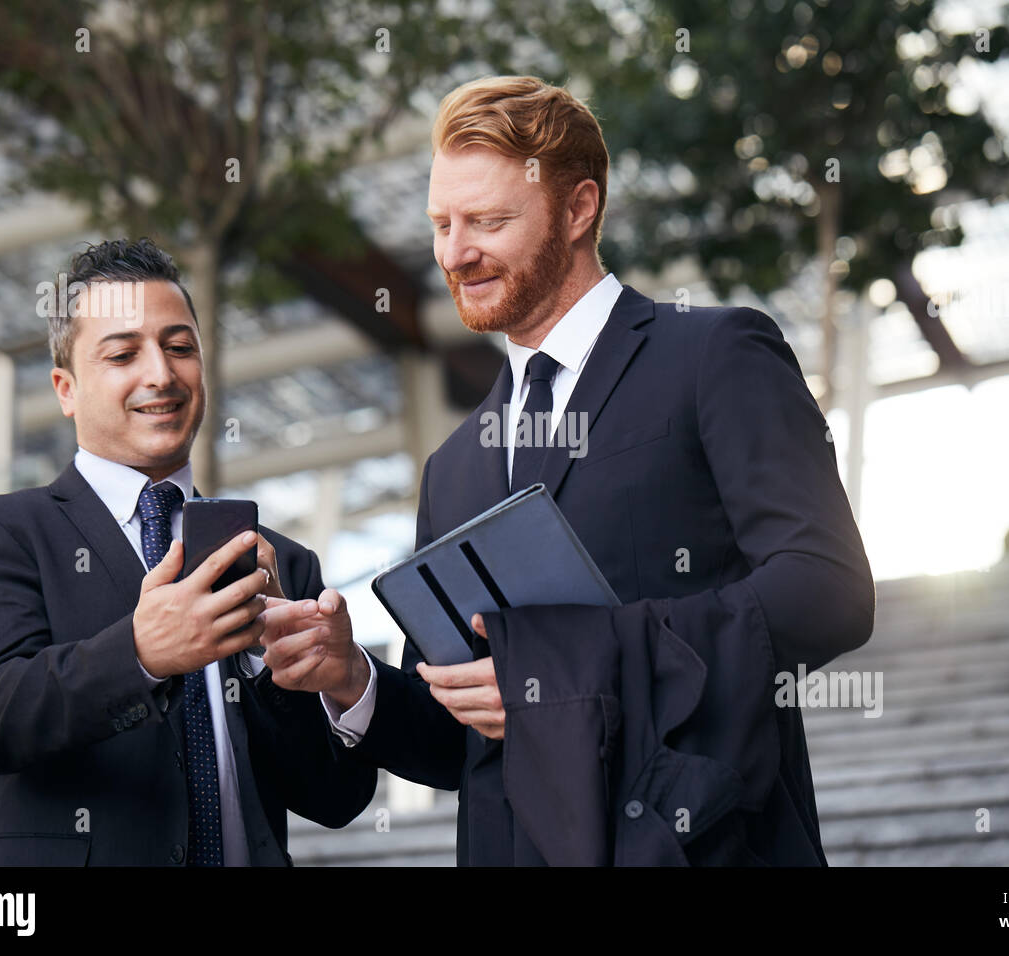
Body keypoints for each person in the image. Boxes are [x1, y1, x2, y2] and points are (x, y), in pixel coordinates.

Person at [274, 76, 875, 865]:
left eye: (487, 221)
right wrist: (353, 678)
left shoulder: (717, 355)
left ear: (579, 208)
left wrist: (562, 668)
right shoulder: (452, 467)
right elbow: (464, 742)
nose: (455, 253)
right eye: (442, 224)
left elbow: (827, 590)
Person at [0, 238, 375, 865]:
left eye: (180, 347)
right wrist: (141, 654)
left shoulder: (281, 564)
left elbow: (336, 798)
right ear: (66, 388)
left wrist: (342, 684)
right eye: (123, 353)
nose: (161, 374)